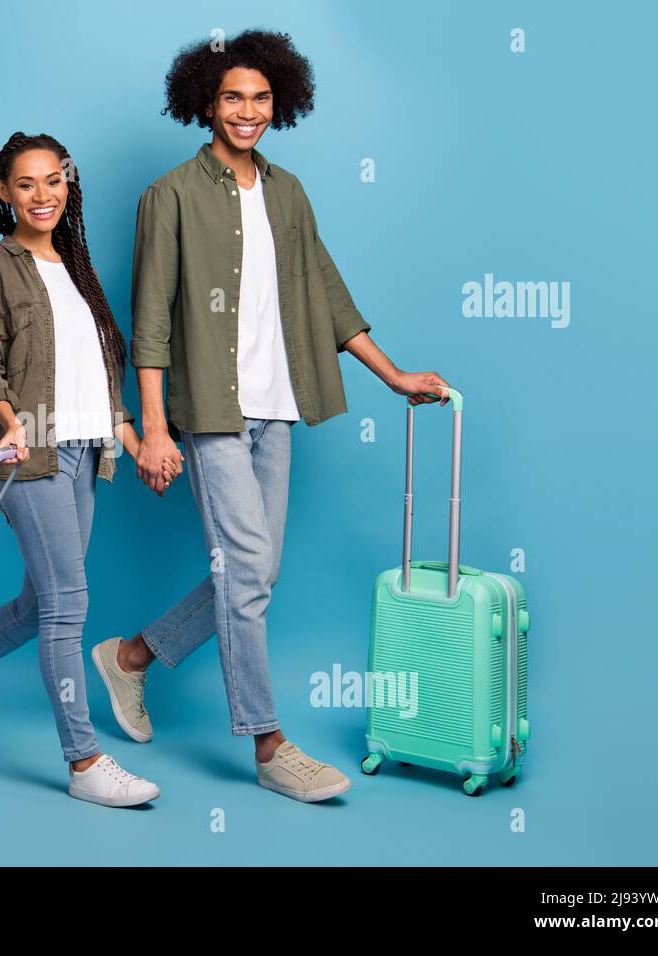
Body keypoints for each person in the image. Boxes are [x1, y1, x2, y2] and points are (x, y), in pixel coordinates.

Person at [90, 30, 453, 803]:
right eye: (232, 98)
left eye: (259, 98)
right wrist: (154, 428)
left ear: (278, 101)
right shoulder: (171, 195)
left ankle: (130, 659)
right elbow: (149, 321)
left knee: (254, 572)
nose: (247, 111)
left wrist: (392, 376)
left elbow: (326, 291)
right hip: (210, 411)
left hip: (275, 407)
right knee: (248, 573)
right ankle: (268, 743)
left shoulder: (287, 193)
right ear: (205, 104)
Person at [0, 132, 179, 808]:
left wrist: (137, 435)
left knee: (38, 605)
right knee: (68, 605)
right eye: (25, 184)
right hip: (30, 453)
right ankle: (84, 761)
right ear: (3, 192)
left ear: (69, 185)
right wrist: (9, 420)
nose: (41, 195)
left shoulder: (79, 269)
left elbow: (95, 380)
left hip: (87, 452)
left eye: (53, 181)